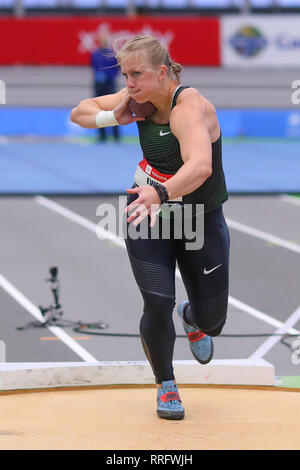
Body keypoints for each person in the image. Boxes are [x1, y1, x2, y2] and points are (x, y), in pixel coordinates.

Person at [71, 35, 230, 421]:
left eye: (136, 74)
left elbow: (200, 167)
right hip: (148, 212)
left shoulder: (189, 106)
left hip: (197, 215)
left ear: (162, 72)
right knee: (156, 301)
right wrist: (114, 116)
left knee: (214, 320)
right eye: (125, 75)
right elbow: (80, 113)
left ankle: (192, 319)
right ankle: (166, 384)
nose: (129, 83)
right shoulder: (137, 100)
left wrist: (160, 193)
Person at [91, 31, 120, 142]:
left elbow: (116, 68)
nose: (103, 42)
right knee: (99, 111)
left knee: (114, 111)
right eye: (101, 41)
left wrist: (109, 77)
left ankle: (116, 136)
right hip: (99, 85)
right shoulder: (95, 54)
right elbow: (94, 66)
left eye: (105, 41)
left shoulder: (112, 54)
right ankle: (102, 135)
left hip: (110, 85)